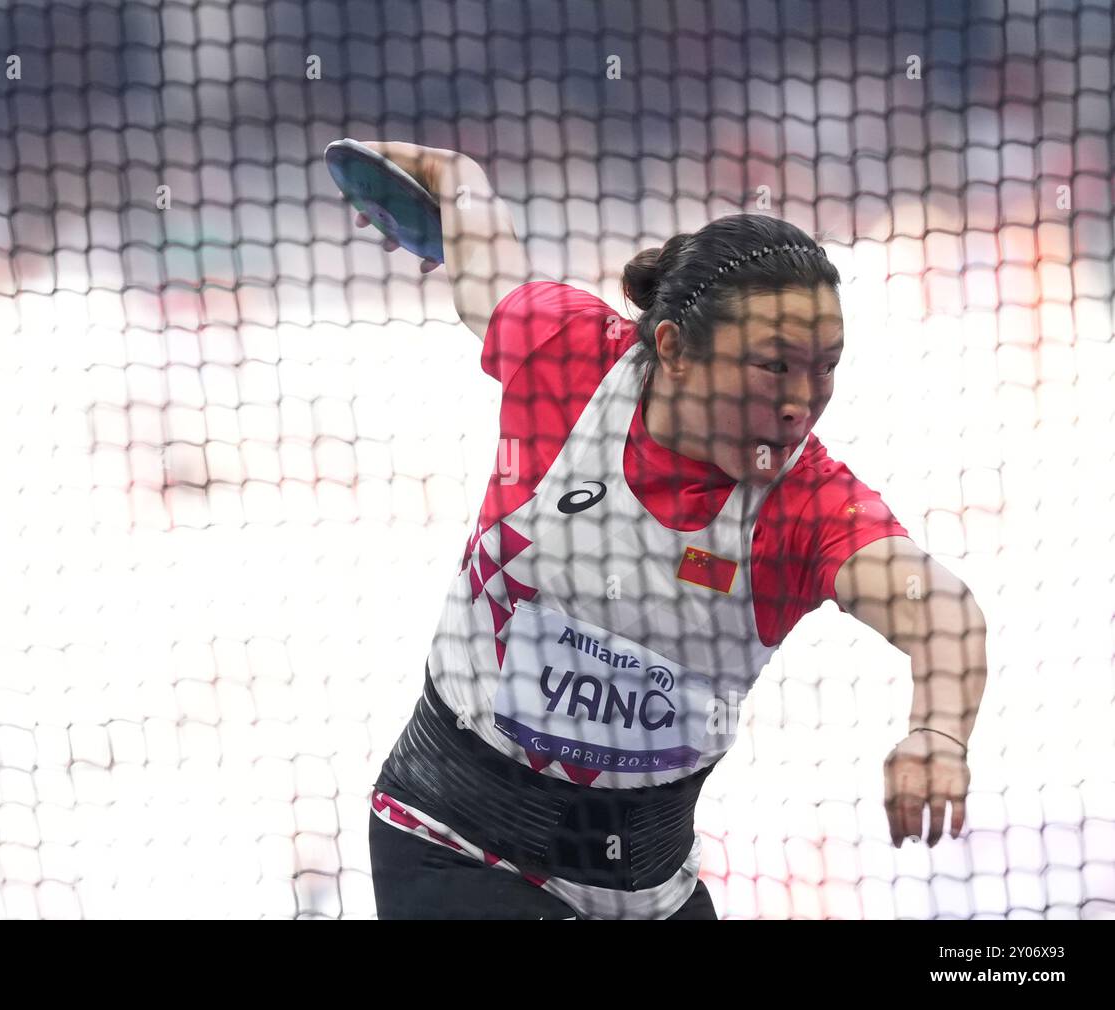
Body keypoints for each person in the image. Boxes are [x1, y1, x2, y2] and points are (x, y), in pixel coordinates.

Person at [352, 142, 987, 919]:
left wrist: (938, 735)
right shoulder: (571, 360)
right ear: (673, 349)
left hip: (648, 890)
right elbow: (489, 279)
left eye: (825, 366)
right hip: (450, 842)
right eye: (773, 366)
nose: (803, 401)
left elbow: (942, 613)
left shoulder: (807, 505)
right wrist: (458, 180)